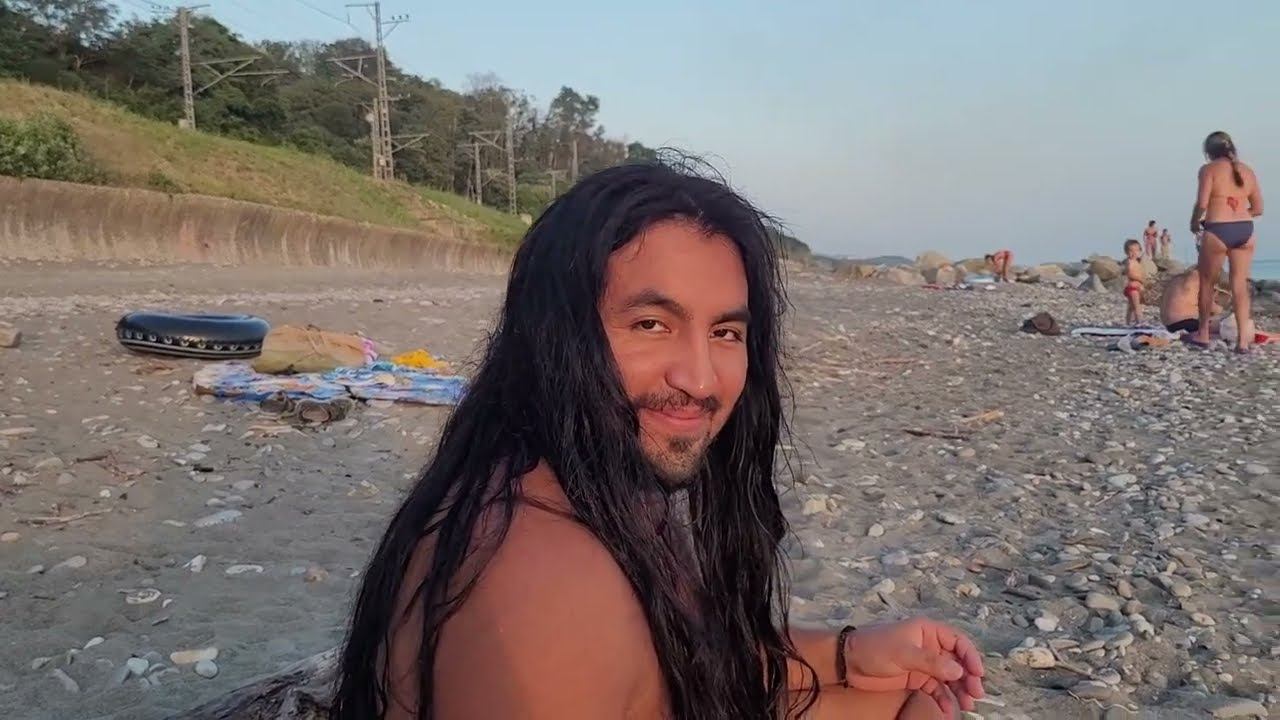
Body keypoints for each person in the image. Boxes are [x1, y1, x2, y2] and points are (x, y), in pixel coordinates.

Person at [332, 161, 986, 720]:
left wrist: (848, 654)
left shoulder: (574, 484)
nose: (699, 380)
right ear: (556, 334)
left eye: (725, 333)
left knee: (905, 697)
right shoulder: (547, 589)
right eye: (651, 324)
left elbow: (681, 656)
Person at [1188, 131, 1265, 353]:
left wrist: (1194, 222)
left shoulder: (1208, 170)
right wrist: (1238, 214)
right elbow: (1258, 208)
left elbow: (1202, 203)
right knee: (1240, 285)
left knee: (1207, 283)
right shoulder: (1248, 171)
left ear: (1208, 152)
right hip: (1245, 230)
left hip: (1218, 229)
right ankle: (1242, 342)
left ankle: (1203, 333)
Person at [1161, 269, 1228, 333]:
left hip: (1169, 325)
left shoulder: (1179, 279)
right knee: (1221, 327)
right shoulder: (1200, 281)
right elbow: (1209, 305)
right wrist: (1223, 311)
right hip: (1185, 322)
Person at [1122, 239, 1145, 325]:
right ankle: (1139, 321)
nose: (1134, 253)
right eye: (1131, 251)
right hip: (1132, 288)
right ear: (1126, 252)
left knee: (1131, 307)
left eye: (1136, 250)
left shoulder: (1137, 262)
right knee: (1137, 305)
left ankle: (1128, 323)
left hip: (1137, 288)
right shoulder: (1130, 262)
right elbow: (1130, 273)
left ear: (1140, 251)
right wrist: (1140, 279)